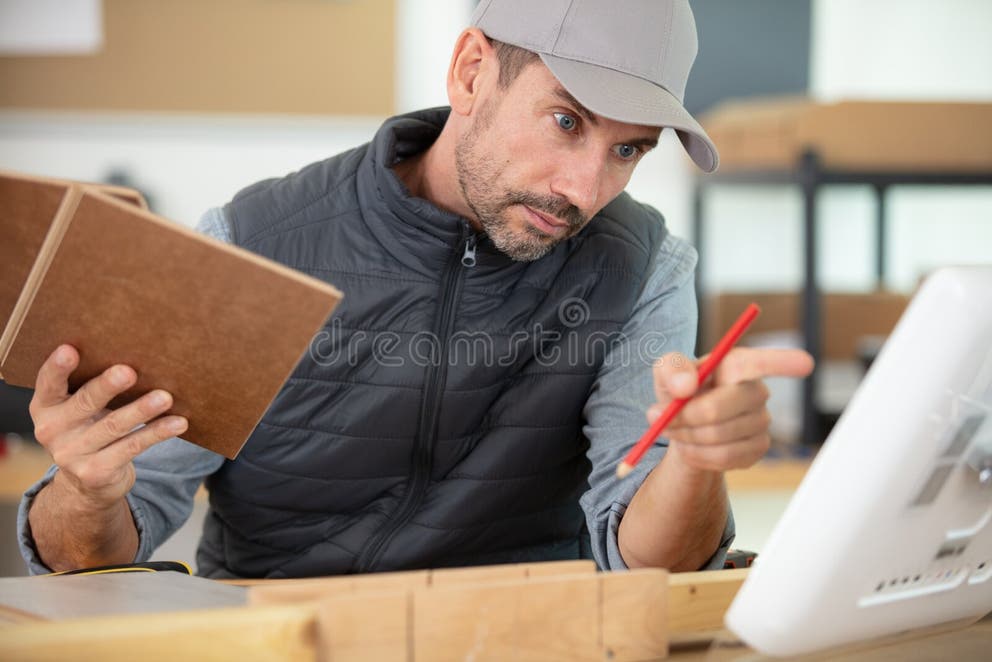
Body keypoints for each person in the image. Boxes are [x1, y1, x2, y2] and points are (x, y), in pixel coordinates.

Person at [18, 0, 813, 578]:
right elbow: (97, 554)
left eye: (628, 151)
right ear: (472, 72)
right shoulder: (252, 238)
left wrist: (696, 461)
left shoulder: (644, 267)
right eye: (566, 121)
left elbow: (650, 568)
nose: (583, 188)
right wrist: (88, 491)